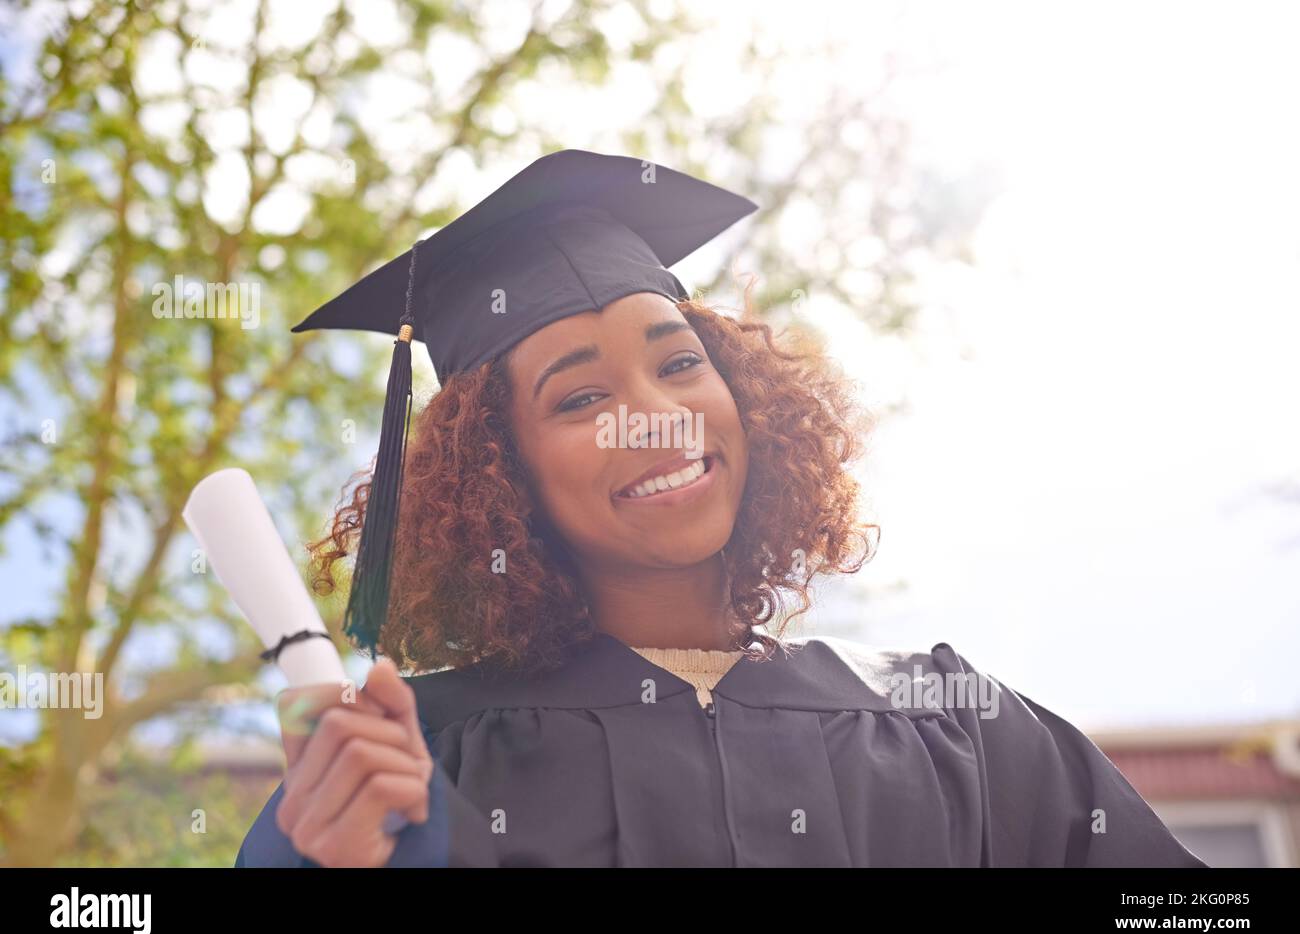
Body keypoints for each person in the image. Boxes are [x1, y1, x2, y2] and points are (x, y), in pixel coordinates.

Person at [236, 149, 1206, 867]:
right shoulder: (423, 768)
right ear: (497, 476)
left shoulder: (959, 729)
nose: (654, 418)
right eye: (580, 399)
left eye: (679, 364)